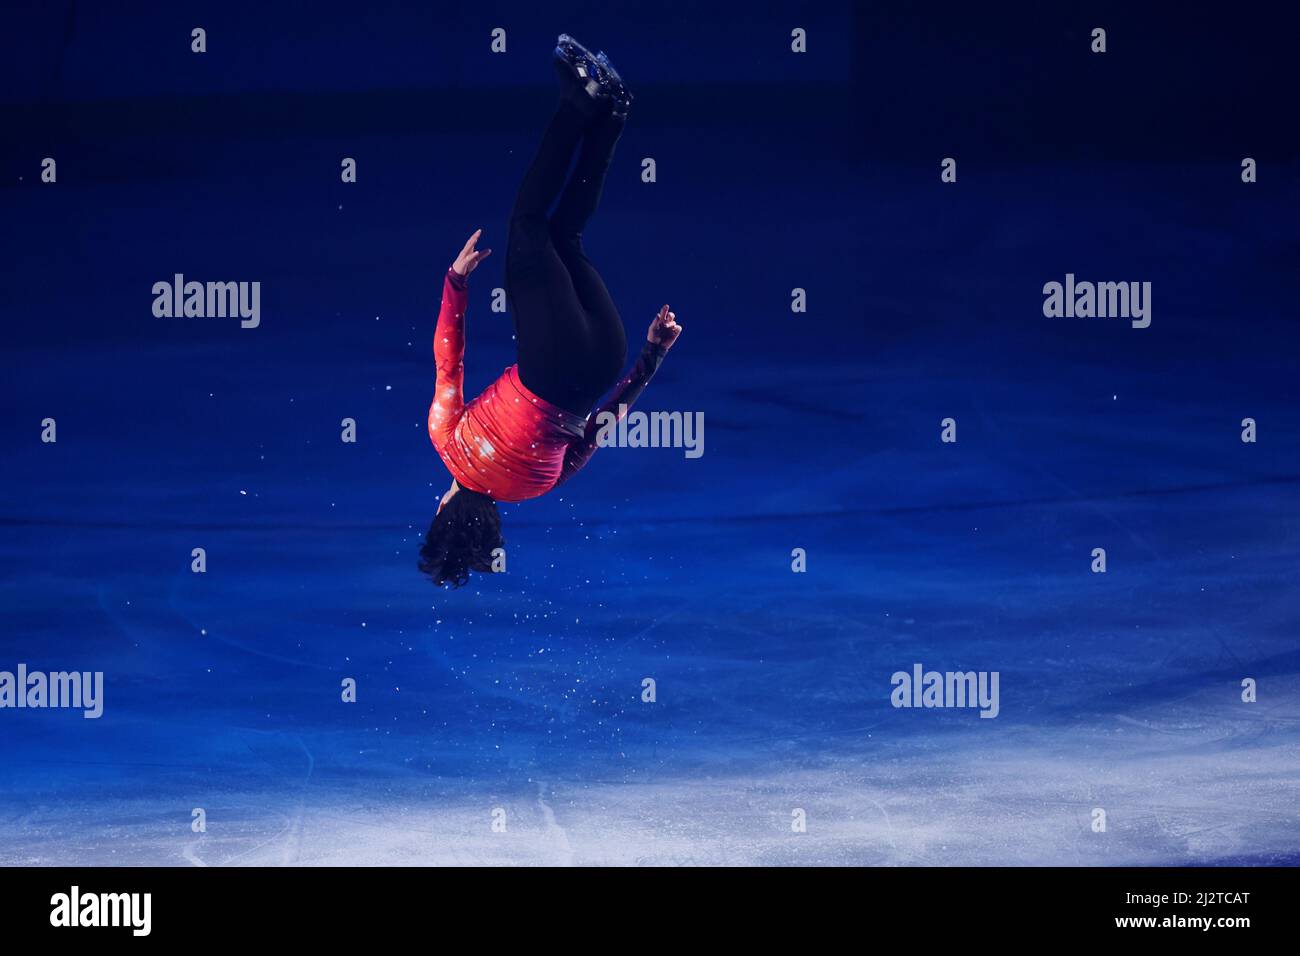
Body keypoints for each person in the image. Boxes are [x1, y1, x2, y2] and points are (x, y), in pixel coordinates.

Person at [420, 35, 683, 588]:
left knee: (566, 234)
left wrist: (652, 356)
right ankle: (579, 102)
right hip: (551, 356)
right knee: (528, 224)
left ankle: (611, 112)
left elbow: (602, 426)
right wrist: (456, 285)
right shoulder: (448, 444)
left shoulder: (539, 489)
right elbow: (450, 361)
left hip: (606, 355)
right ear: (443, 511)